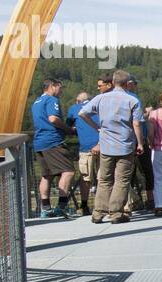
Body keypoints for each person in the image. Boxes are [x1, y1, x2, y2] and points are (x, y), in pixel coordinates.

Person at [78, 69, 145, 224]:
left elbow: (82, 113)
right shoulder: (132, 100)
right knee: (121, 180)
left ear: (113, 82)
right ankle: (116, 213)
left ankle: (98, 212)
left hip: (106, 146)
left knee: (104, 180)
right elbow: (136, 123)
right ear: (127, 83)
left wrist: (97, 127)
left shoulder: (100, 98)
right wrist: (140, 142)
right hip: (125, 145)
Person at [31, 78, 77, 218]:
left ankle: (45, 208)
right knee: (68, 171)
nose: (61, 91)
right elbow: (53, 119)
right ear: (52, 86)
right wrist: (68, 129)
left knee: (47, 175)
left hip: (39, 142)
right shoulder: (52, 100)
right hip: (52, 140)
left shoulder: (36, 102)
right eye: (60, 88)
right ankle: (61, 206)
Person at [66, 90, 100, 216]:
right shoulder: (98, 107)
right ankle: (104, 206)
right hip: (103, 145)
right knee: (104, 178)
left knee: (86, 177)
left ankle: (84, 205)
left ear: (77, 101)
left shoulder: (74, 108)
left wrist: (76, 129)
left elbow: (68, 125)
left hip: (86, 147)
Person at [125, 76, 154, 213]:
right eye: (135, 83)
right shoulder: (134, 98)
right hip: (138, 141)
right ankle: (150, 199)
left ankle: (129, 202)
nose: (136, 86)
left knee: (127, 174)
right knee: (147, 171)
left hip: (125, 141)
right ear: (129, 84)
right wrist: (147, 113)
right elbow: (138, 120)